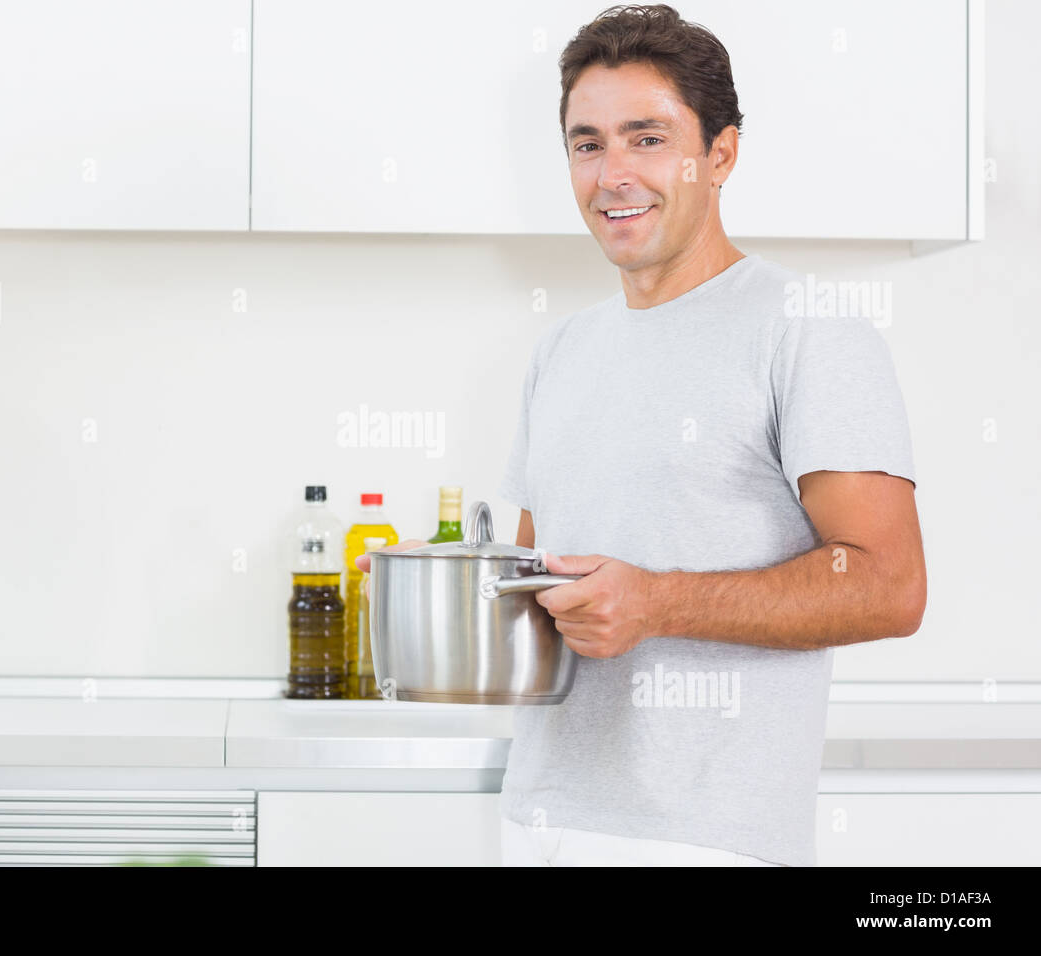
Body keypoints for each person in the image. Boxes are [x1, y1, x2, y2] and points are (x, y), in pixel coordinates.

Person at [359, 3, 925, 867]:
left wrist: (659, 602)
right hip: (540, 819)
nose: (612, 174)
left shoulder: (806, 328)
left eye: (647, 139)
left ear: (721, 154)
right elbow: (544, 581)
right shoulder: (563, 350)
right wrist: (438, 585)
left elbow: (890, 585)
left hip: (703, 840)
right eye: (587, 144)